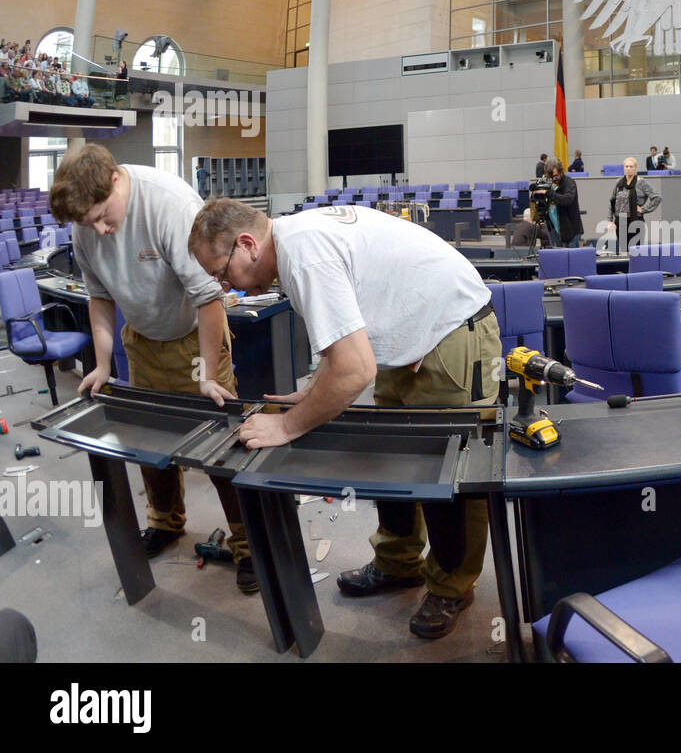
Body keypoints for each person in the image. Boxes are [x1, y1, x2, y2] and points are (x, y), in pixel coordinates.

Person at [188, 200, 500, 640]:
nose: (222, 286)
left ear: (247, 244)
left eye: (221, 272)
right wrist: (316, 388)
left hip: (450, 332)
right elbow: (342, 336)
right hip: (405, 336)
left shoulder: (303, 255)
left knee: (449, 468)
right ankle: (398, 562)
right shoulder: (294, 244)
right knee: (396, 458)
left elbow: (354, 370)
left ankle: (452, 585)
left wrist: (288, 424)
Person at [48, 144, 255, 594]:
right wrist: (102, 365)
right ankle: (166, 522)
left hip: (195, 339)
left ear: (117, 180)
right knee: (151, 443)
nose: (99, 230)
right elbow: (100, 298)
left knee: (221, 448)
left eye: (104, 215)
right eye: (89, 224)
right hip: (142, 342)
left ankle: (248, 546)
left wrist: (206, 371)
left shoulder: (168, 205)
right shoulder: (88, 224)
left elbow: (209, 298)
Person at [610, 156, 662, 250]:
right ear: (624, 168)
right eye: (626, 166)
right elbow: (612, 201)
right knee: (624, 251)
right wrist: (610, 220)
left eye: (631, 166)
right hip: (620, 221)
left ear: (635, 168)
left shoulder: (642, 182)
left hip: (636, 220)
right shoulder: (619, 182)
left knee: (636, 252)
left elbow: (657, 197)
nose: (629, 169)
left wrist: (643, 209)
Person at [543, 157, 582, 247]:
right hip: (556, 231)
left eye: (556, 175)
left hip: (571, 231)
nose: (554, 178)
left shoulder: (569, 183)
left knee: (573, 260)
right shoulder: (551, 184)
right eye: (551, 177)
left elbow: (567, 200)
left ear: (561, 171)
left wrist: (549, 193)